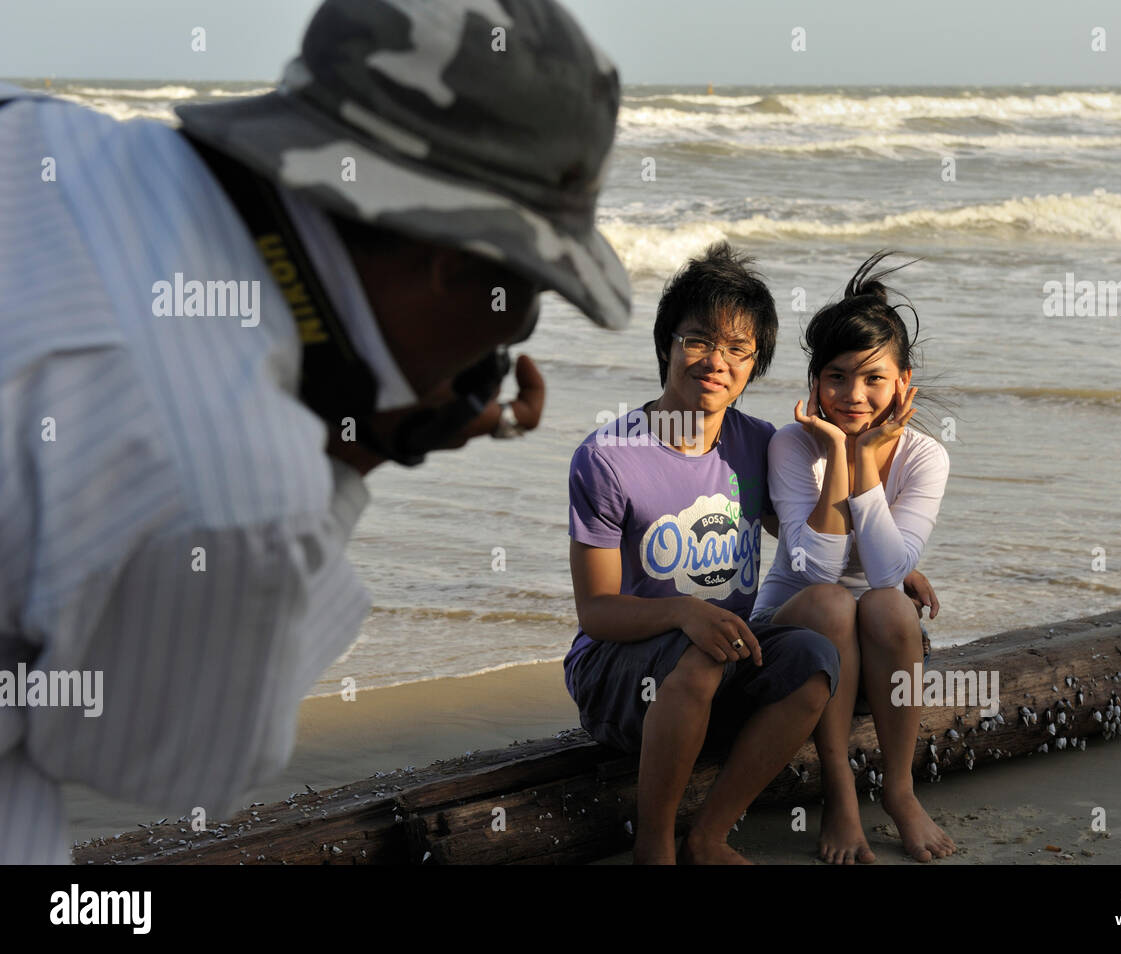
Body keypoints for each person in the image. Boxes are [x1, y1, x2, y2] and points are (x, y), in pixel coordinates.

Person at [0, 0, 629, 863]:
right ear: (454, 258)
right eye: (526, 294)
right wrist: (354, 454)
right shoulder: (236, 490)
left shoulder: (44, 135)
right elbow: (169, 761)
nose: (511, 332)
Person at [565, 242, 844, 864]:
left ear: (754, 366)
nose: (716, 361)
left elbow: (810, 547)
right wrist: (682, 611)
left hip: (718, 667)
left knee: (812, 659)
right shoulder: (608, 457)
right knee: (700, 651)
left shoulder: (759, 445)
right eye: (698, 340)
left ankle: (709, 835)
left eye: (738, 349)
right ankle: (655, 848)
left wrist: (889, 558)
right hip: (619, 678)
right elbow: (596, 612)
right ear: (667, 344)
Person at [750, 251, 956, 864]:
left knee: (890, 609)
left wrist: (867, 458)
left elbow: (889, 575)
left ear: (903, 383)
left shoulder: (925, 457)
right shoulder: (792, 445)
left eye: (873, 378)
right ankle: (841, 797)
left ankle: (899, 792)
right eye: (836, 377)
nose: (854, 395)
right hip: (793, 629)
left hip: (877, 642)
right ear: (814, 383)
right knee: (835, 600)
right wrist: (840, 453)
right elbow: (813, 570)